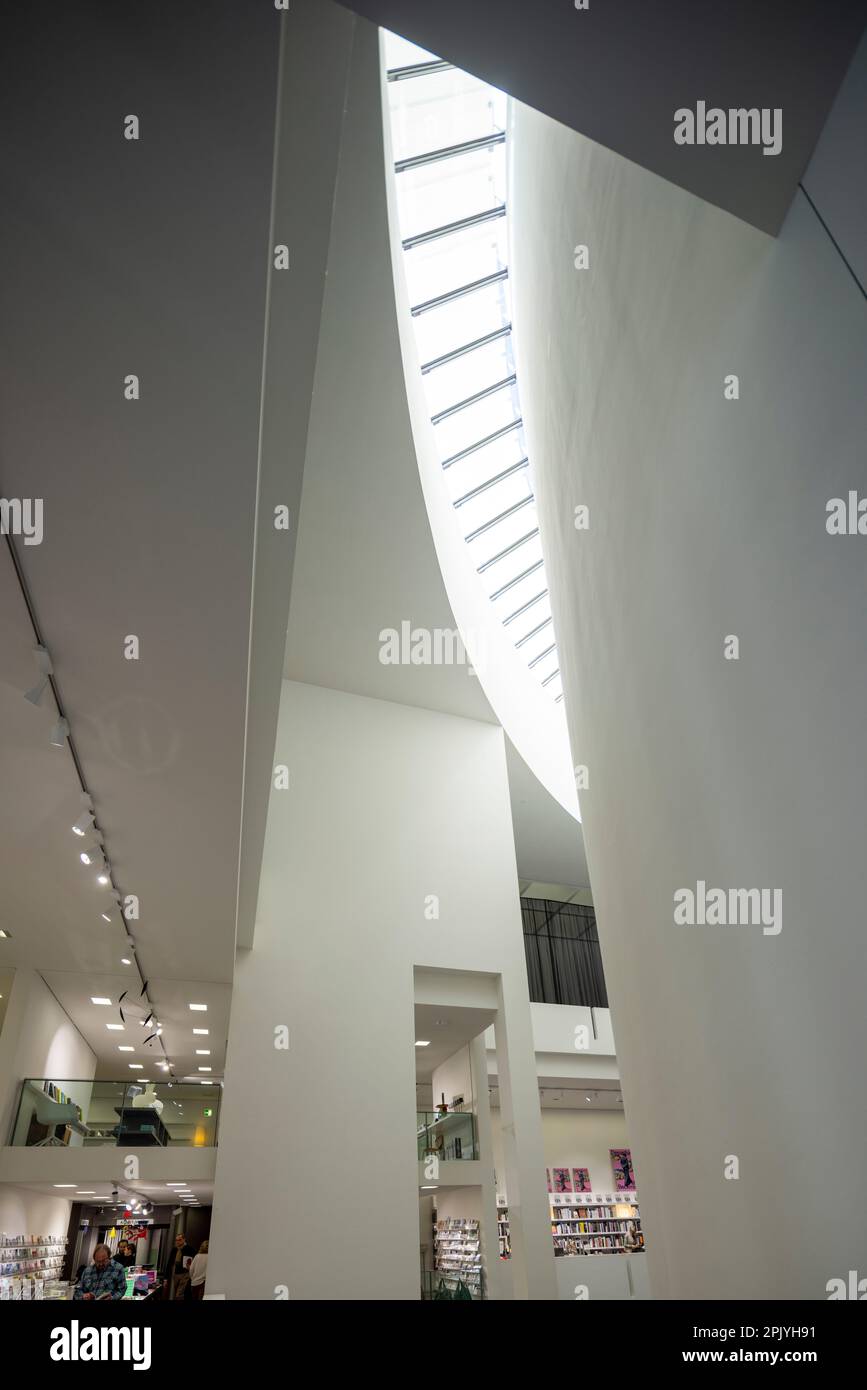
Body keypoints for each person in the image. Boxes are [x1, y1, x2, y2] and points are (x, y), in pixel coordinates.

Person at [163, 1231, 196, 1299]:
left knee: (179, 1294)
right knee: (178, 1292)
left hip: (185, 1273)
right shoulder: (174, 1249)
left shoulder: (190, 1249)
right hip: (176, 1274)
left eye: (180, 1240)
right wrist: (166, 1278)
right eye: (176, 1240)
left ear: (184, 1239)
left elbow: (196, 1260)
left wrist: (191, 1267)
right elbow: (170, 1263)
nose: (178, 1242)